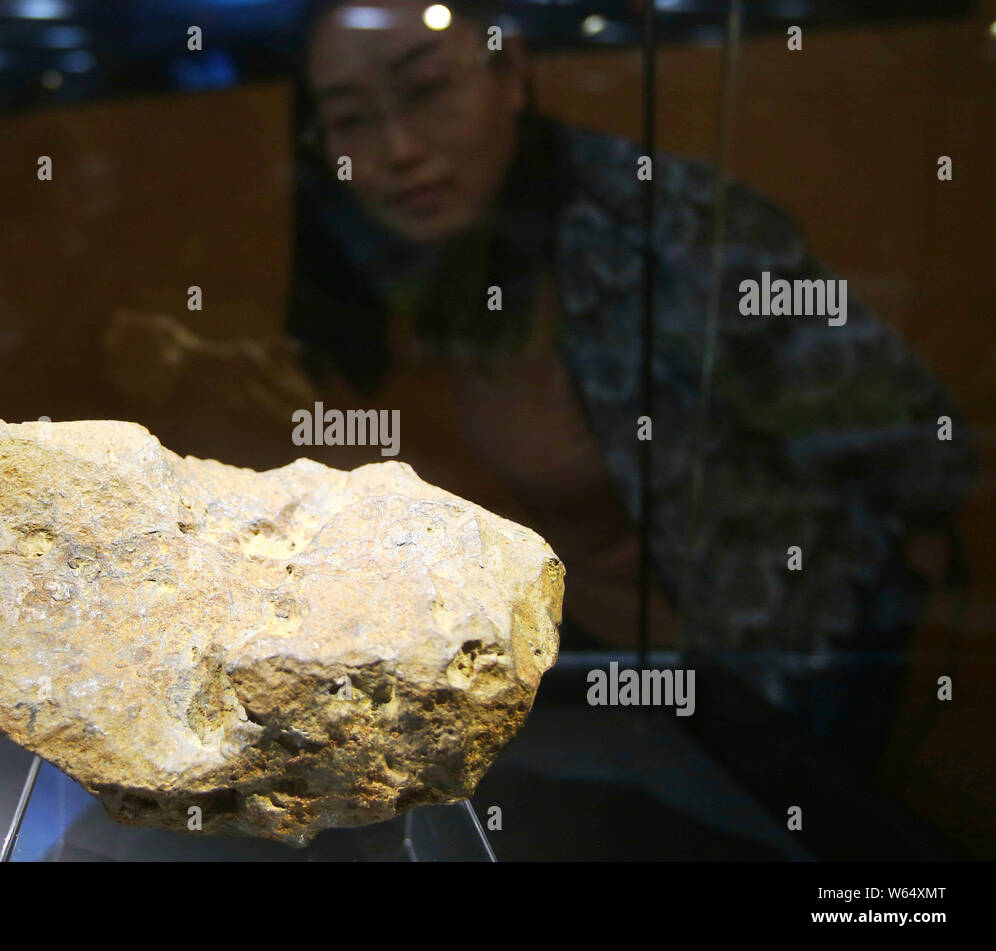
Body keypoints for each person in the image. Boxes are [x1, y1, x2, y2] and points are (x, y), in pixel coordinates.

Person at [284, 0, 975, 759]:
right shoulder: (442, 252)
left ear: (510, 71)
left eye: (426, 91)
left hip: (775, 686)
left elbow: (922, 451)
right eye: (350, 119)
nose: (398, 149)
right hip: (607, 668)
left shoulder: (672, 227)